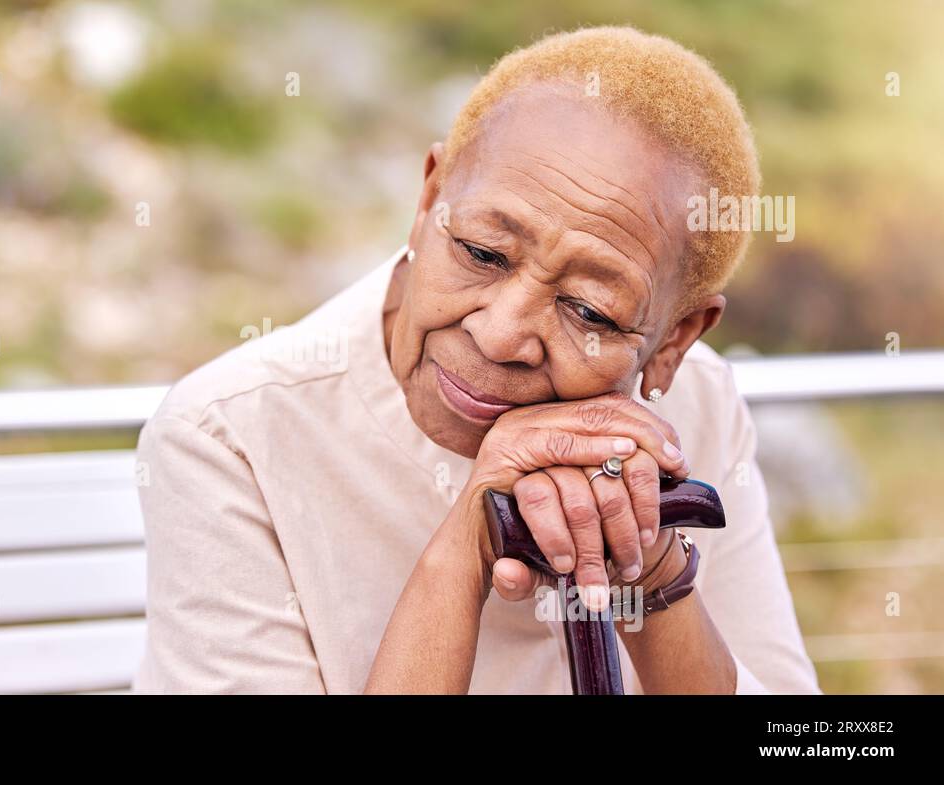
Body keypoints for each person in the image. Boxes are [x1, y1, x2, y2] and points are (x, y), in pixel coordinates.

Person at [132, 26, 821, 694]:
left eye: (588, 310)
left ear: (675, 340)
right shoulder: (231, 437)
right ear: (429, 198)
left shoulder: (694, 403)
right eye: (483, 253)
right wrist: (460, 554)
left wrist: (651, 566)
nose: (499, 336)